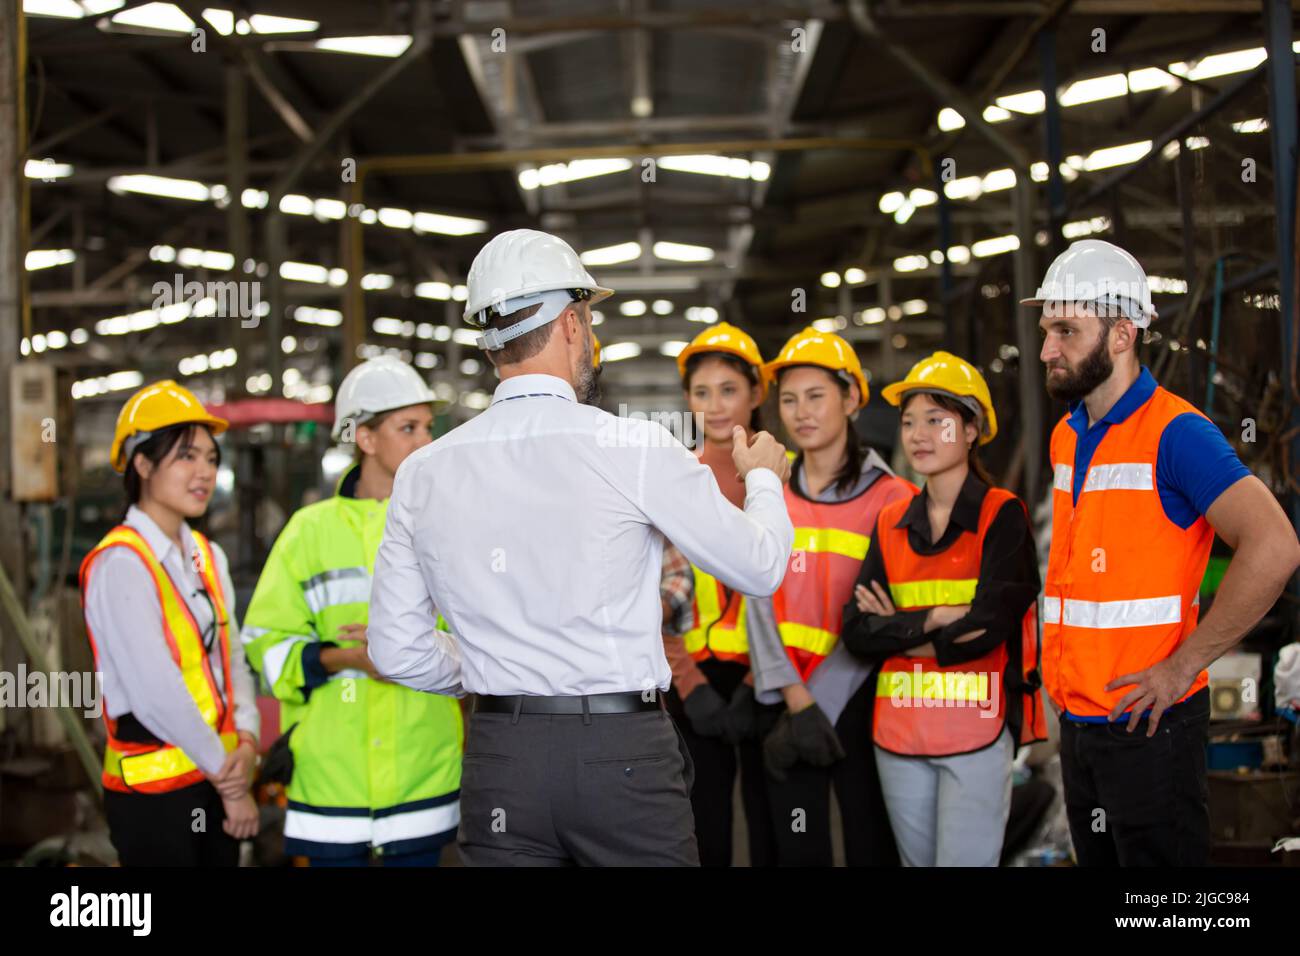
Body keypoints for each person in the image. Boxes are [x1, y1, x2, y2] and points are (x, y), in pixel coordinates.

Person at [366, 228, 794, 866]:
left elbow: (395, 650)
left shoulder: (424, 473)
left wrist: (495, 664)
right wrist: (763, 478)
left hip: (500, 761)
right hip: (622, 761)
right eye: (589, 319)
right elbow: (760, 566)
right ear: (571, 323)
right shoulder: (635, 448)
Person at [1026, 238, 1300, 865]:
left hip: (1151, 728)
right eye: (1045, 330)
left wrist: (1181, 668)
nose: (1047, 349)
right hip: (1081, 723)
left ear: (1122, 334)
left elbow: (1276, 545)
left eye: (1066, 329)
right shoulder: (1067, 434)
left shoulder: (1178, 435)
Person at [240, 356, 463, 866]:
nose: (424, 442)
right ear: (364, 438)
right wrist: (347, 659)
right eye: (407, 428)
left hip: (421, 775)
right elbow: (265, 643)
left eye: (428, 427)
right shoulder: (308, 531)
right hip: (330, 784)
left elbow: (478, 637)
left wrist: (410, 651)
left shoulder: (447, 527)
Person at [841, 351, 1046, 866]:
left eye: (938, 421)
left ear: (972, 429)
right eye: (910, 422)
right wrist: (933, 619)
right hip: (898, 736)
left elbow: (991, 626)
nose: (919, 435)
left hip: (976, 733)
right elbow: (858, 632)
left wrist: (898, 630)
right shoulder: (891, 521)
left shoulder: (1004, 516)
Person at [745, 327, 916, 867]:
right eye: (789, 400)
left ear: (850, 398)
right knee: (800, 849)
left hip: (865, 697)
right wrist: (797, 700)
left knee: (872, 843)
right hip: (786, 702)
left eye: (816, 396)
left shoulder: (893, 499)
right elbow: (757, 598)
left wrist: (825, 697)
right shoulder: (768, 492)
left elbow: (883, 614)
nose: (801, 412)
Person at [80, 380, 260, 865]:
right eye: (186, 456)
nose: (204, 472)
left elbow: (232, 658)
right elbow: (154, 690)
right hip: (155, 801)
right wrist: (231, 778)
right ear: (142, 464)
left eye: (210, 458)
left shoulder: (207, 554)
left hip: (217, 780)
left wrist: (247, 740)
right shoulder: (121, 564)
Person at [661, 322, 779, 867]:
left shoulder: (782, 475)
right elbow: (656, 593)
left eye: (729, 390)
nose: (715, 405)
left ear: (756, 393)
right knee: (703, 828)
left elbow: (792, 591)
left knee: (773, 823)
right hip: (695, 684)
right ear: (687, 399)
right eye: (701, 392)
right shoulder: (672, 477)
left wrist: (762, 681)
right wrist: (690, 684)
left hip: (769, 683)